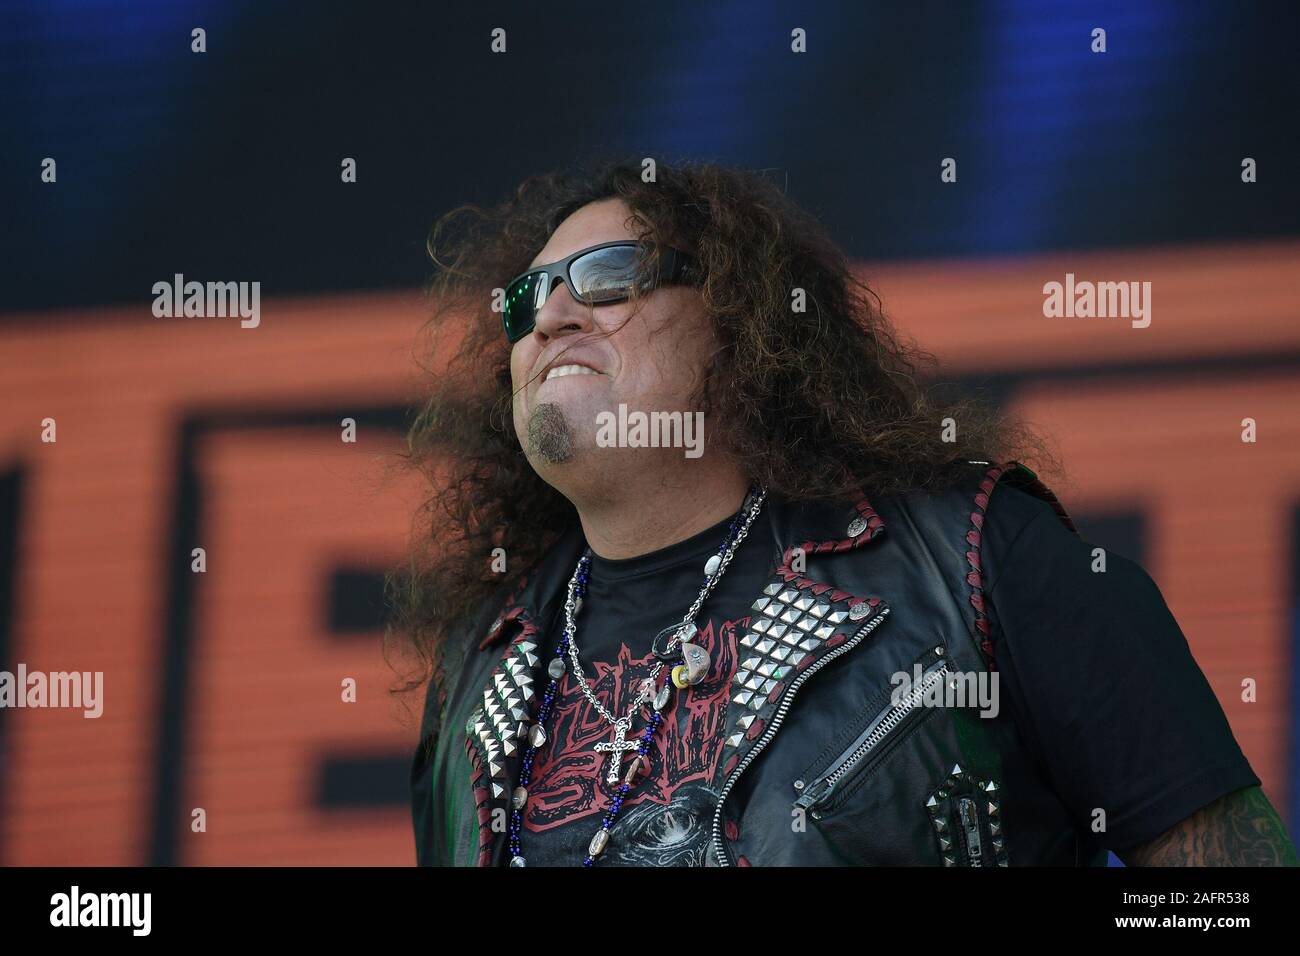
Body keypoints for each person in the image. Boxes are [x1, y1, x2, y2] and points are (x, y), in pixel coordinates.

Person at [391, 159, 1296, 867]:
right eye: (526, 297)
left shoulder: (977, 559)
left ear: (742, 321)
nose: (548, 317)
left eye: (609, 275)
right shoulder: (484, 667)